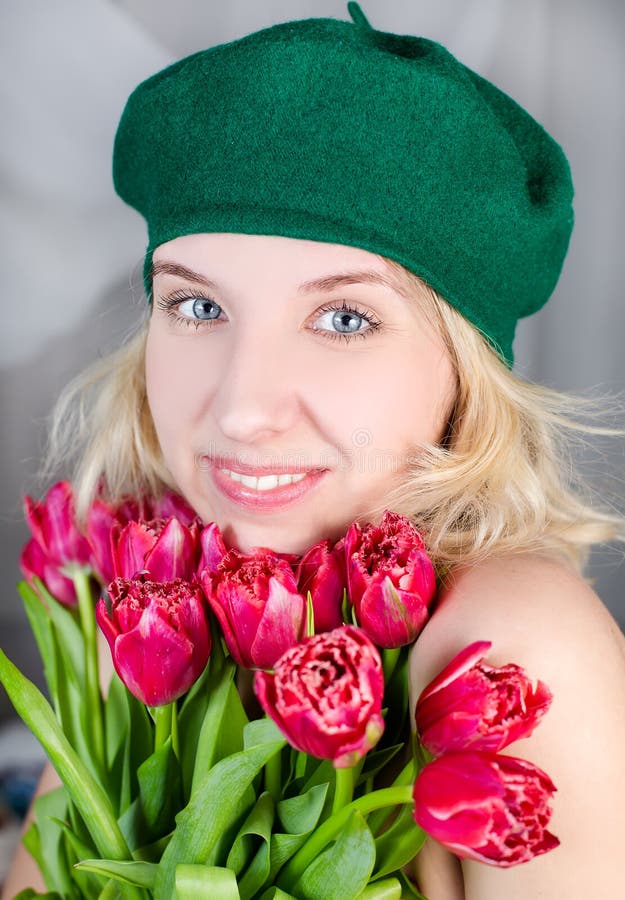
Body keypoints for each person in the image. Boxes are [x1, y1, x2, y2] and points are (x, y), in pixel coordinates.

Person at [5, 3, 625, 898]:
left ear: (463, 368)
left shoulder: (511, 648)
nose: (243, 408)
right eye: (198, 307)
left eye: (343, 318)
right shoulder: (152, 613)